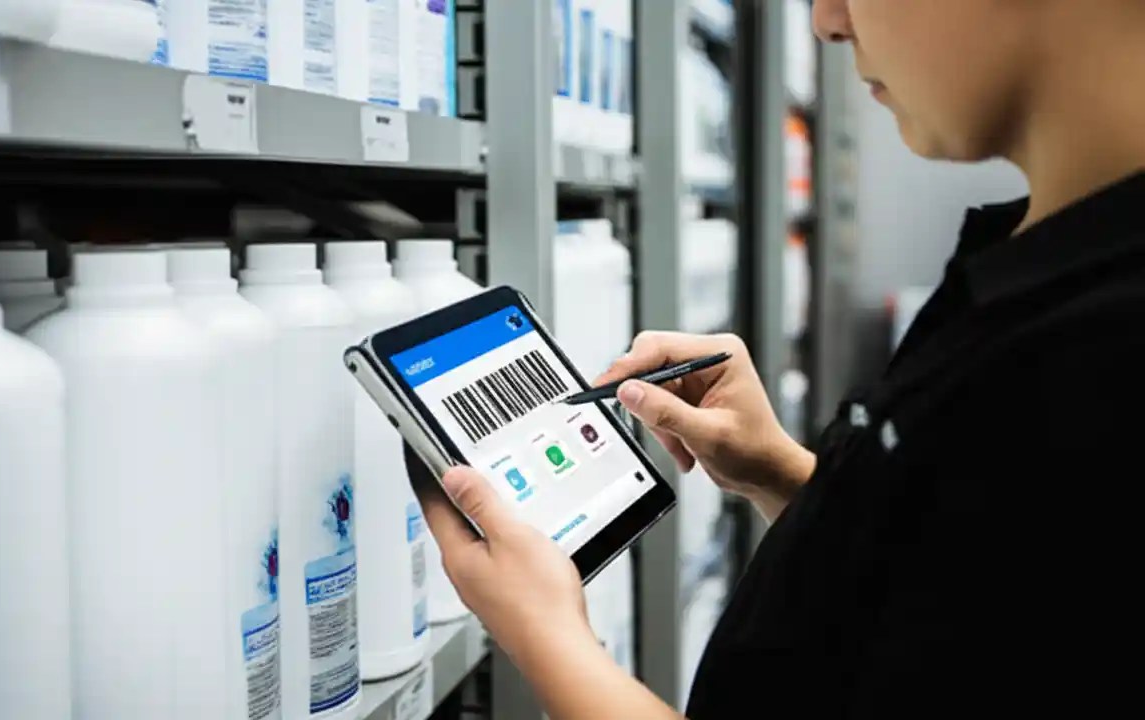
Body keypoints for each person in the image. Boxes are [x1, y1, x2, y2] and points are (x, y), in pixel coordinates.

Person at [413, 1, 1145, 717]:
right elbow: (972, 597)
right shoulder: (1043, 268)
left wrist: (546, 637)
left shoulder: (1102, 360)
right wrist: (790, 480)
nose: (828, 21)